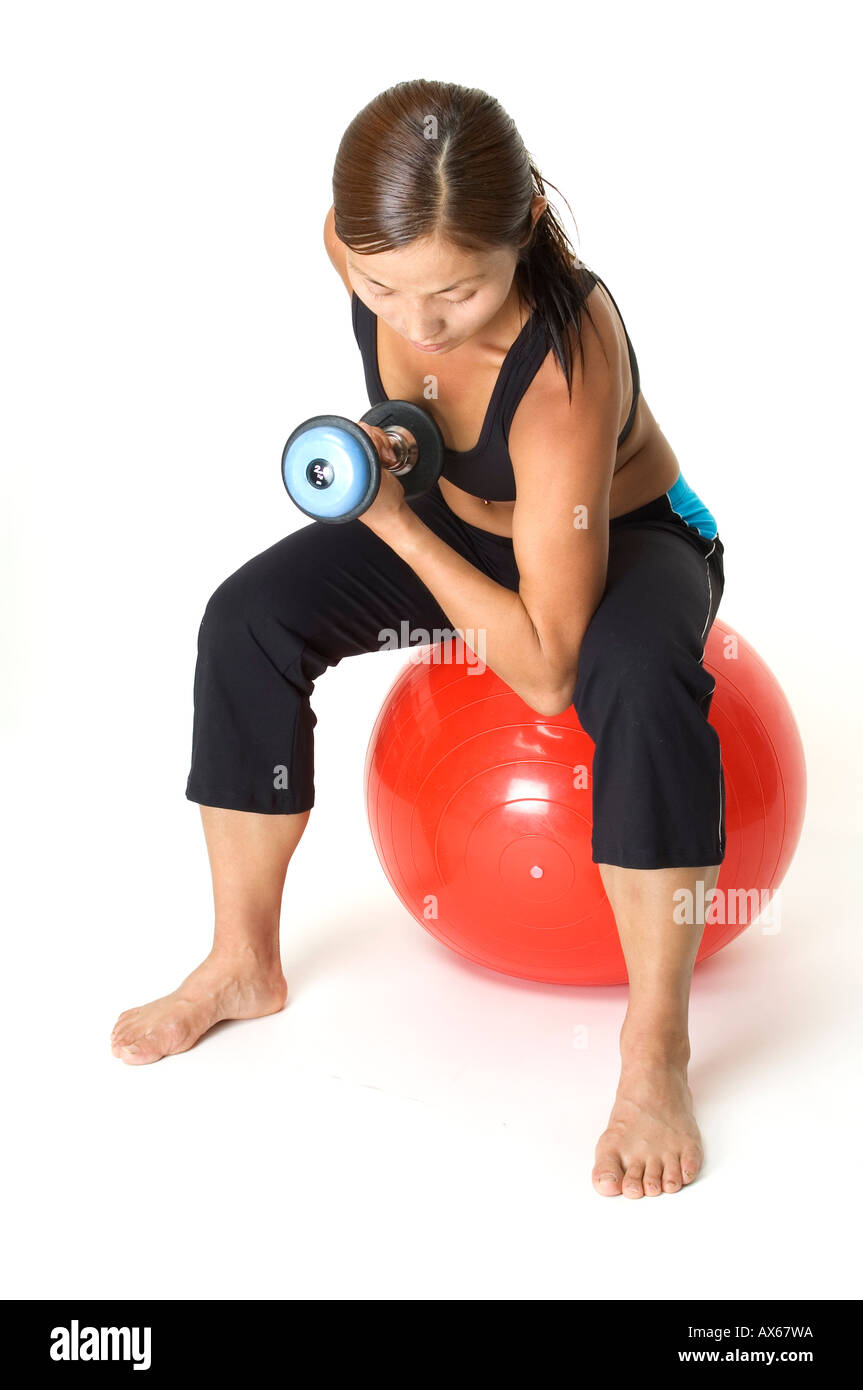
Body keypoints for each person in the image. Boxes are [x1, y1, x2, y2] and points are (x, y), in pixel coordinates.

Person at [111, 79, 726, 1201]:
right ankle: (241, 960)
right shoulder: (361, 249)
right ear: (346, 243)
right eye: (383, 286)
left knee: (629, 680)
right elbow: (400, 338)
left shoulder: (564, 359)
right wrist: (399, 479)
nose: (418, 322)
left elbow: (543, 671)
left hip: (624, 539)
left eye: (456, 289)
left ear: (525, 225)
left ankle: (654, 1051)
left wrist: (392, 520)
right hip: (453, 518)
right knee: (245, 619)